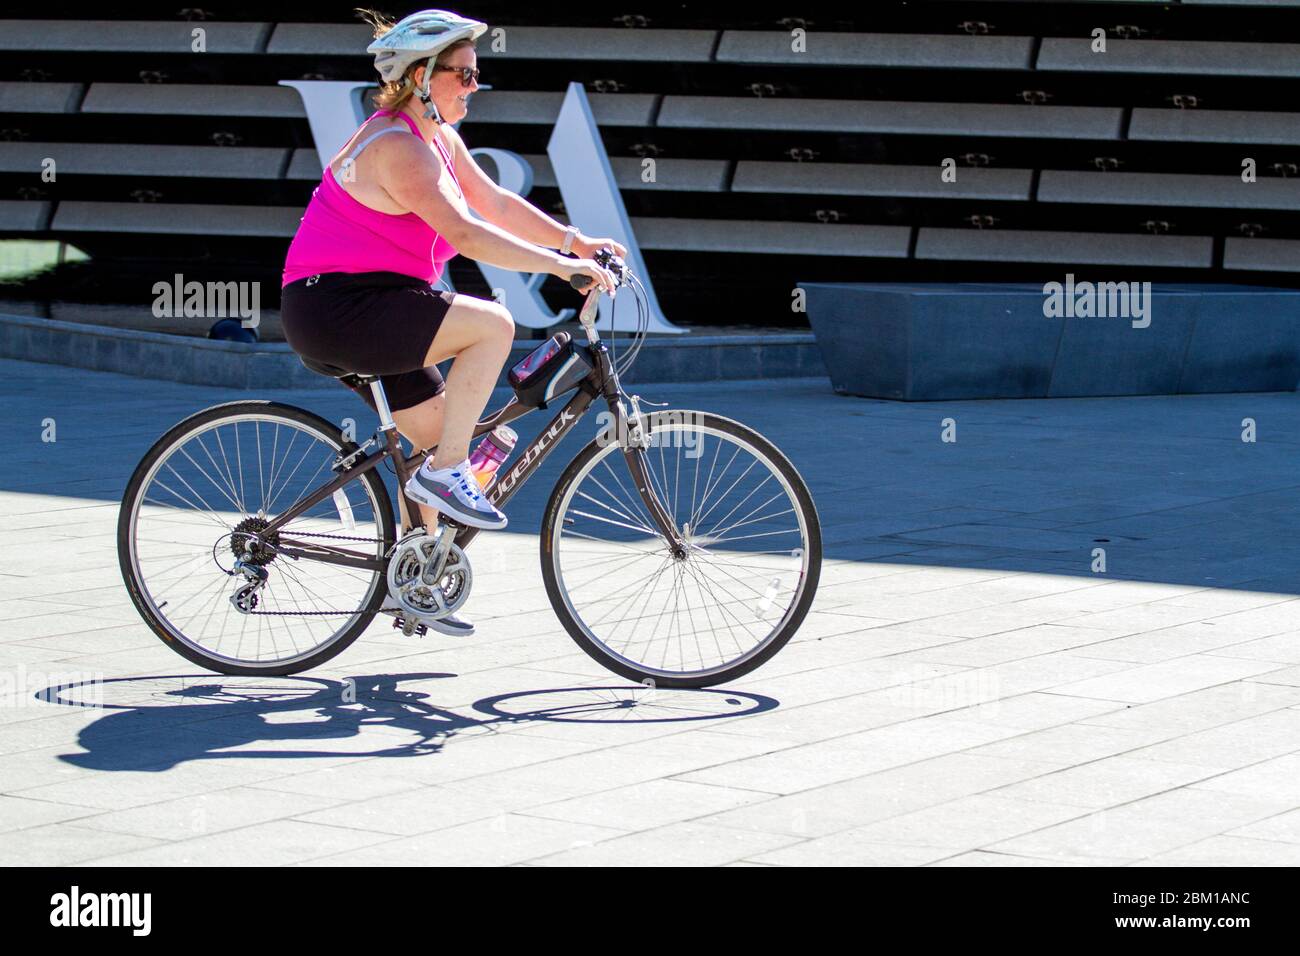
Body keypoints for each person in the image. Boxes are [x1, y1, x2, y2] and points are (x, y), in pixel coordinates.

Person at [280, 7, 622, 544]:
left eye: (476, 74)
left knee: (441, 439)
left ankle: (413, 583)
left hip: (372, 305)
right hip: (342, 307)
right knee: (492, 326)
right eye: (463, 74)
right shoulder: (398, 147)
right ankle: (445, 476)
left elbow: (494, 203)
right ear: (419, 77)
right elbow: (466, 233)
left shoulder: (436, 137)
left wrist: (574, 242)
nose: (475, 86)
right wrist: (560, 268)